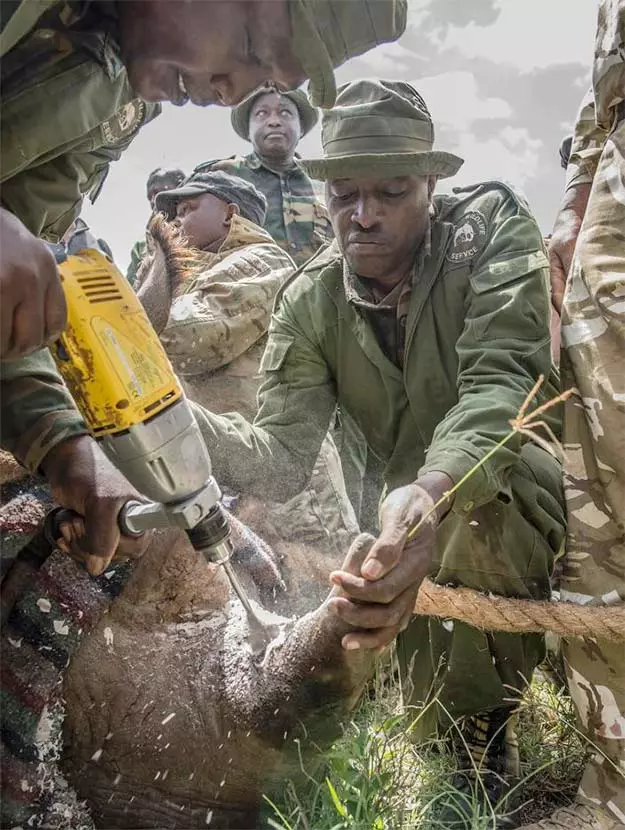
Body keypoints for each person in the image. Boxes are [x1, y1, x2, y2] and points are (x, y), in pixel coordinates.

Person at [186, 80, 566, 823]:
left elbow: (502, 387)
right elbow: (281, 453)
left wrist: (428, 489)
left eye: (390, 192)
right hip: (395, 515)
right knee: (405, 651)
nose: (361, 216)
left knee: (476, 514)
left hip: (508, 481)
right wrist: (174, 423)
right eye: (344, 196)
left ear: (431, 184)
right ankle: (439, 713)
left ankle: (478, 743)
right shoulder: (309, 297)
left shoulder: (486, 228)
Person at [0, 0, 407, 576]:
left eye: (265, 79)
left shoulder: (123, 90)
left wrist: (63, 442)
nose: (231, 92)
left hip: (287, 493)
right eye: (248, 44)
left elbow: (162, 343)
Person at [520, 2, 625, 828]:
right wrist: (574, 206)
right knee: (597, 530)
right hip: (608, 229)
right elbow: (602, 106)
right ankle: (613, 789)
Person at [136, 170, 357, 562]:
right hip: (236, 477)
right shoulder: (197, 274)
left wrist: (152, 283)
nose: (176, 221)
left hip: (293, 497)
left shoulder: (260, 260)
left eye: (188, 208)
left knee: (321, 592)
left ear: (230, 214)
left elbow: (185, 339)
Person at [200, 87, 332, 267]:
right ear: (248, 130)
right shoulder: (220, 176)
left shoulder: (325, 183)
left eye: (285, 113)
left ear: (301, 128)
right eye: (262, 113)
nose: (274, 121)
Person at [126, 167, 185, 286]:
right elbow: (130, 288)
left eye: (159, 193)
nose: (154, 201)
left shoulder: (198, 230)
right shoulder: (141, 246)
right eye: (151, 196)